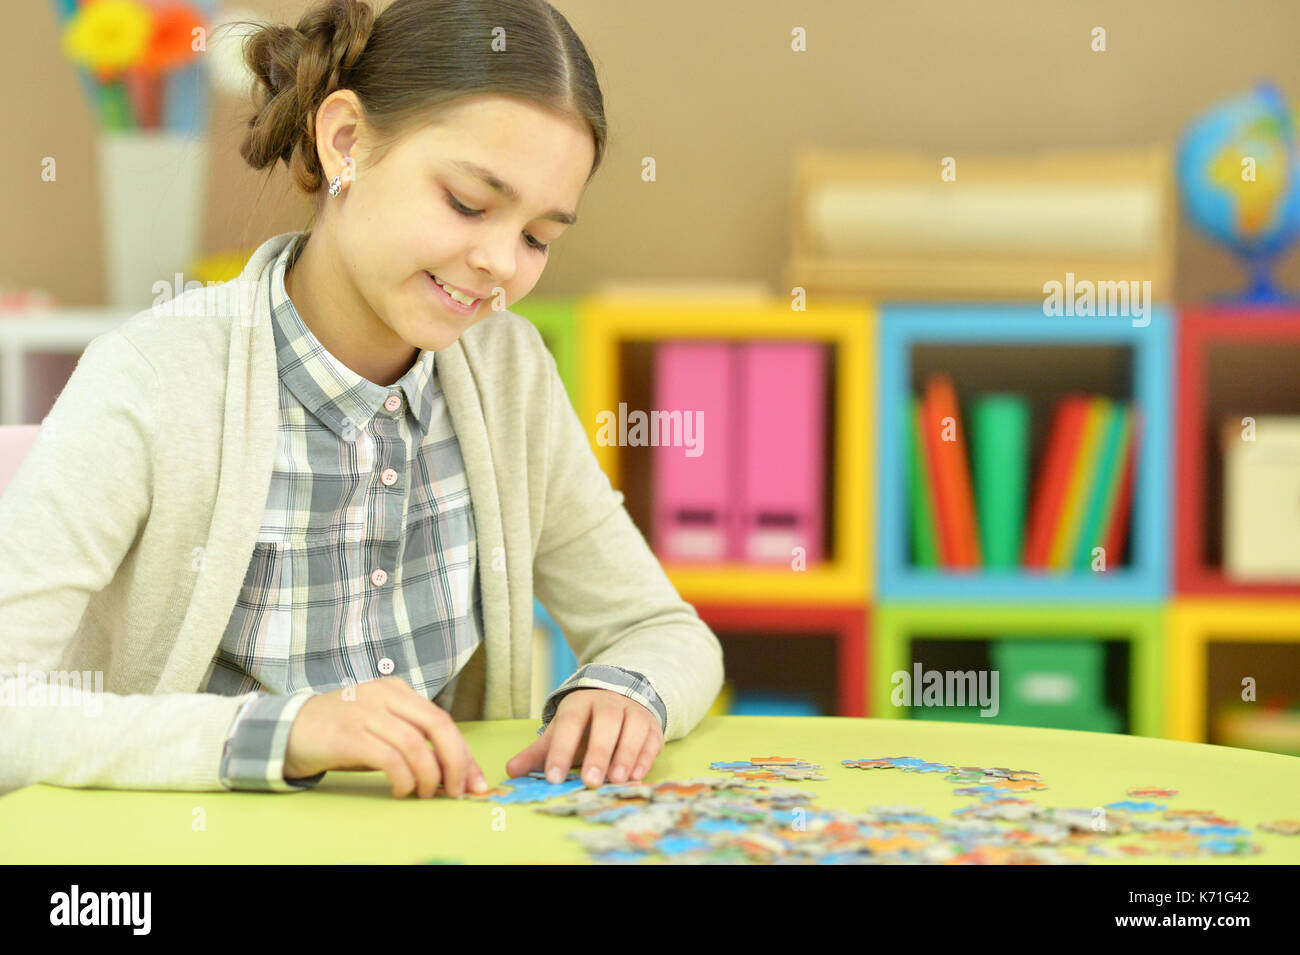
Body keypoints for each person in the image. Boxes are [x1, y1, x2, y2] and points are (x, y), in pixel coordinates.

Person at [0, 0, 723, 800]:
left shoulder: (509, 372)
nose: (498, 264)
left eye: (538, 238)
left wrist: (625, 688)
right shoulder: (153, 377)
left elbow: (661, 629)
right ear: (345, 141)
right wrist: (281, 731)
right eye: (468, 204)